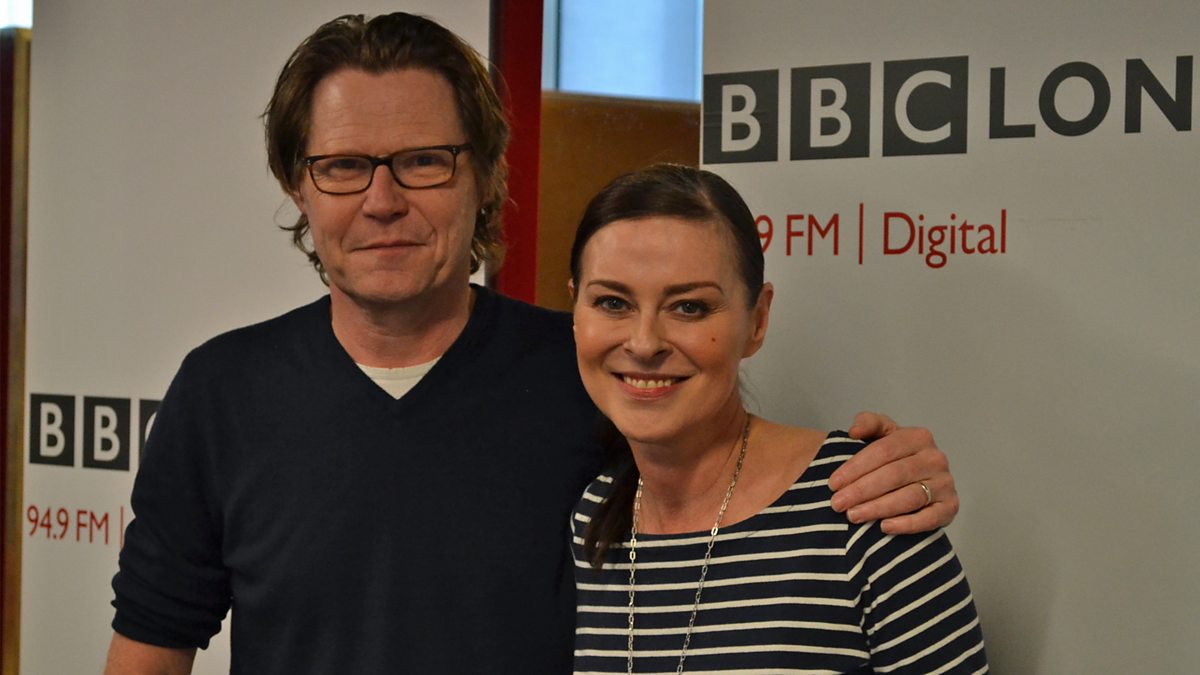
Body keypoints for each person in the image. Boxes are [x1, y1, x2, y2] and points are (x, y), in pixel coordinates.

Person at [103, 13, 962, 675]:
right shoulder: (221, 392)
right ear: (301, 183)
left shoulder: (597, 376)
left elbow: (729, 475)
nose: (383, 199)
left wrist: (893, 468)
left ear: (485, 177)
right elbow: (150, 647)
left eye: (423, 161)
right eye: (343, 166)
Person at [568, 164, 987, 673]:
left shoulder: (864, 500)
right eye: (612, 302)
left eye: (690, 308)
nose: (644, 343)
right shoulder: (596, 518)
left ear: (758, 320)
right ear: (575, 309)